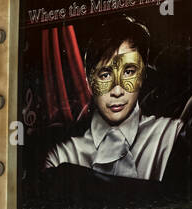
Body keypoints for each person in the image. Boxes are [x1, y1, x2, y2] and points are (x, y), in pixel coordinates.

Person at [44, 16, 183, 181]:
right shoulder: (62, 154)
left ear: (143, 75)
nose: (117, 90)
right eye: (105, 75)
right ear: (88, 81)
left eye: (129, 72)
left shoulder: (171, 136)